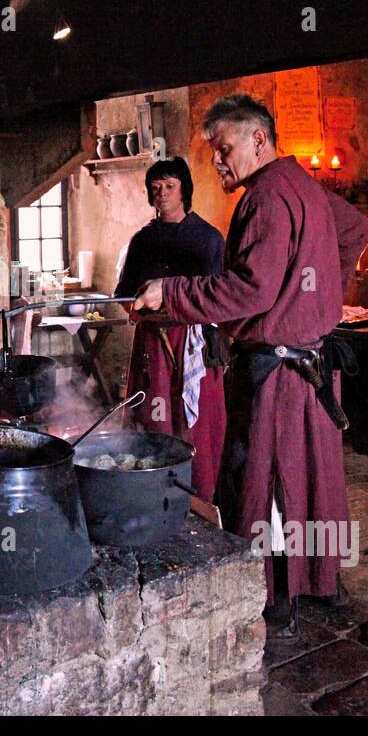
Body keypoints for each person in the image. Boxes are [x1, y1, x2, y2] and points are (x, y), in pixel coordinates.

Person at [131, 95, 368, 634]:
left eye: (224, 148)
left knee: (268, 479)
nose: (217, 162)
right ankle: (321, 582)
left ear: (258, 140)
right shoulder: (305, 185)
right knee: (315, 475)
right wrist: (316, 297)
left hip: (281, 374)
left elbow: (249, 289)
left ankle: (274, 594)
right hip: (313, 364)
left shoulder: (265, 196)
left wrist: (169, 293)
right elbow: (355, 230)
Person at [115, 158, 227, 501]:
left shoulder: (207, 238)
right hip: (151, 341)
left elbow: (216, 296)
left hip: (193, 342)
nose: (161, 194)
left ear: (184, 191)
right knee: (154, 417)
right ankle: (152, 492)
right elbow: (125, 293)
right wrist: (141, 310)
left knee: (196, 422)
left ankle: (199, 496)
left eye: (169, 187)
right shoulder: (142, 240)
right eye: (156, 188)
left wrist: (177, 307)